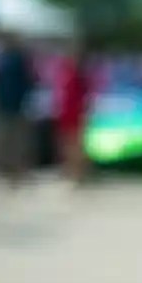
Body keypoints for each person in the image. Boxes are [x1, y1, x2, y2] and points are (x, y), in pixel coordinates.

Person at [0, 31, 37, 188]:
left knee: (17, 142)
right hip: (5, 106)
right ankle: (7, 171)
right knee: (6, 141)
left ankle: (17, 171)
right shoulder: (2, 59)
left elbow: (29, 81)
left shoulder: (18, 59)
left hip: (16, 106)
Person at [55, 46, 92, 185]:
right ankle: (73, 172)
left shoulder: (78, 75)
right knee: (69, 144)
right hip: (67, 113)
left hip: (75, 113)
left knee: (75, 145)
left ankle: (78, 173)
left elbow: (84, 97)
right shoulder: (68, 73)